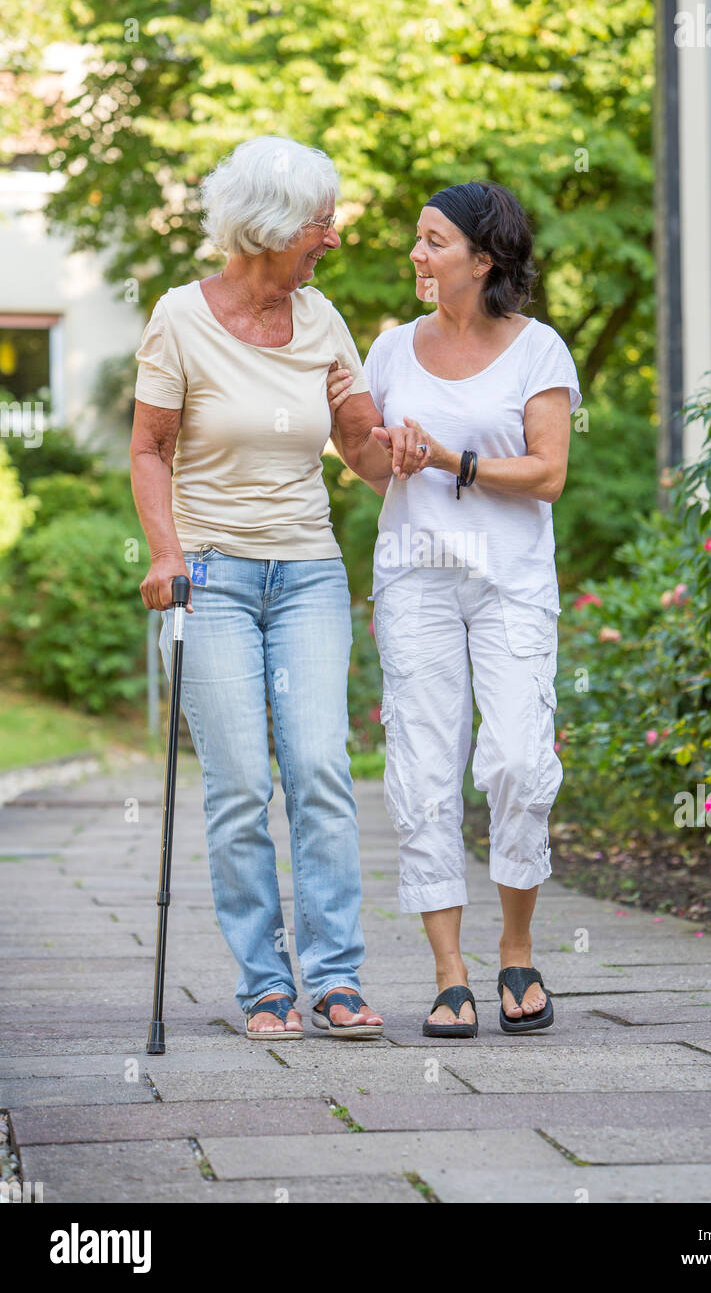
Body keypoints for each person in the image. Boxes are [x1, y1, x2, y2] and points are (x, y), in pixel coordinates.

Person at [130, 135, 427, 1040]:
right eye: (319, 222)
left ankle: (334, 978)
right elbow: (150, 447)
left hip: (307, 572)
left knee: (320, 768)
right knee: (237, 784)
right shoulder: (179, 318)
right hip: (211, 577)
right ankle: (265, 983)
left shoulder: (324, 320)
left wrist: (408, 459)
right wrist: (164, 553)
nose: (331, 240)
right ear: (266, 227)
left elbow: (359, 446)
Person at [327, 180, 581, 1036]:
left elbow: (548, 473)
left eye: (434, 241)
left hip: (510, 583)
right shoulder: (392, 349)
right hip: (415, 580)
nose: (417, 254)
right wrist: (377, 448)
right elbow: (369, 466)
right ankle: (448, 974)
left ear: (484, 257)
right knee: (424, 772)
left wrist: (448, 459)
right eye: (418, 238)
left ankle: (517, 949)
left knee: (515, 761)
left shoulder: (538, 350)